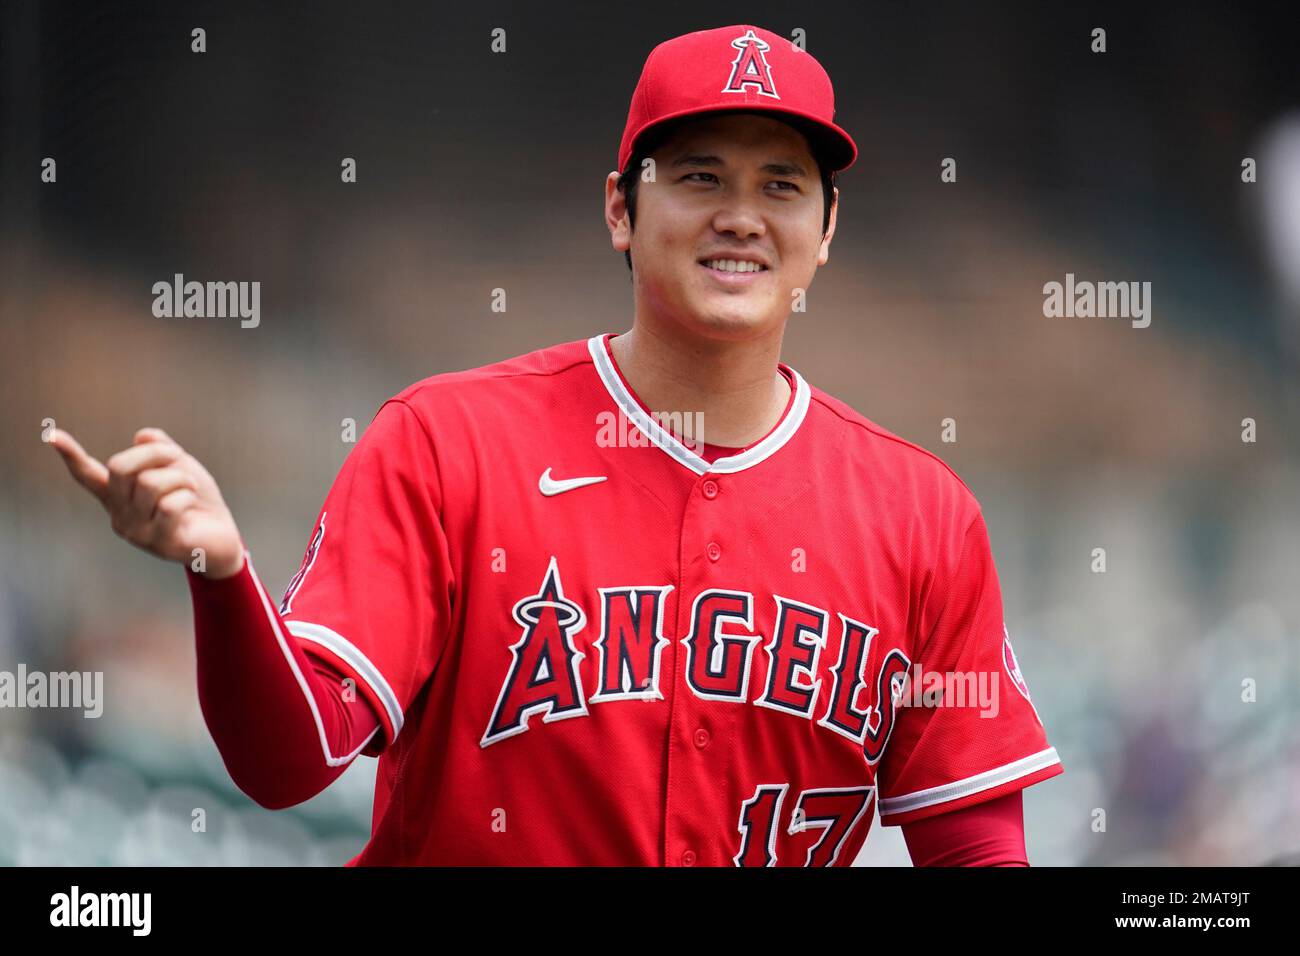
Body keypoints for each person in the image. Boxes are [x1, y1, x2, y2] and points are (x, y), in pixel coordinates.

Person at [51, 24, 1061, 866]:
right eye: (699, 175)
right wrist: (222, 575)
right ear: (620, 208)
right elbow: (292, 759)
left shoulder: (922, 516)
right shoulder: (448, 445)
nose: (740, 216)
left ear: (828, 228)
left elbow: (971, 842)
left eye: (782, 185)